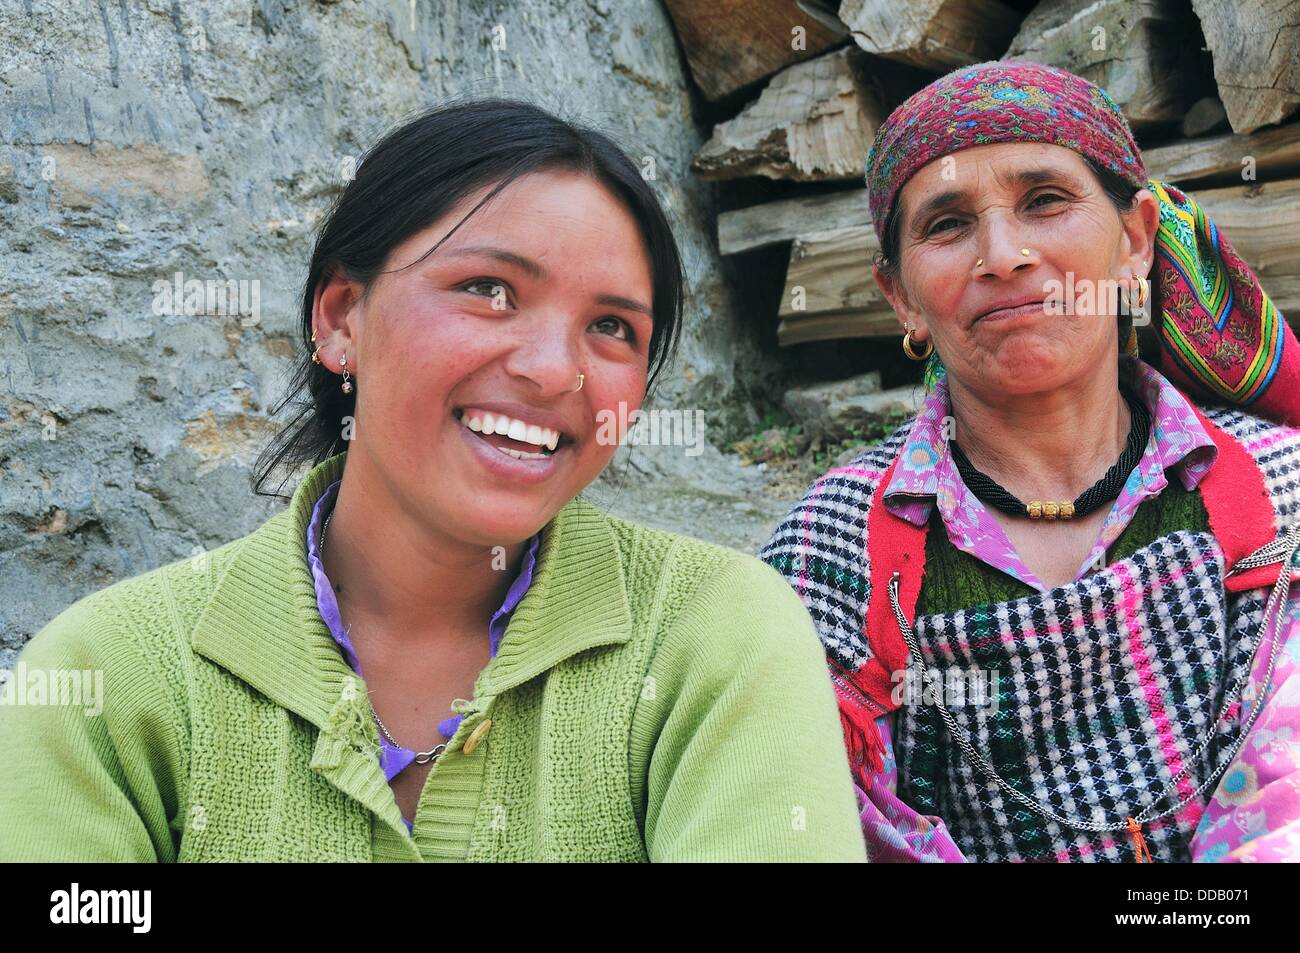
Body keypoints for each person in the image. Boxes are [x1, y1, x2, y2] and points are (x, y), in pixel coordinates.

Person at [0, 100, 866, 862]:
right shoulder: (109, 677)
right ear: (342, 319)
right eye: (489, 289)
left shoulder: (714, 635)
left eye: (612, 326)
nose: (552, 369)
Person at [761, 61, 1300, 862]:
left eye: (1046, 201)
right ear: (900, 294)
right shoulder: (829, 556)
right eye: (945, 224)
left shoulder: (1280, 488)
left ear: (1137, 243)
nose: (1003, 255)